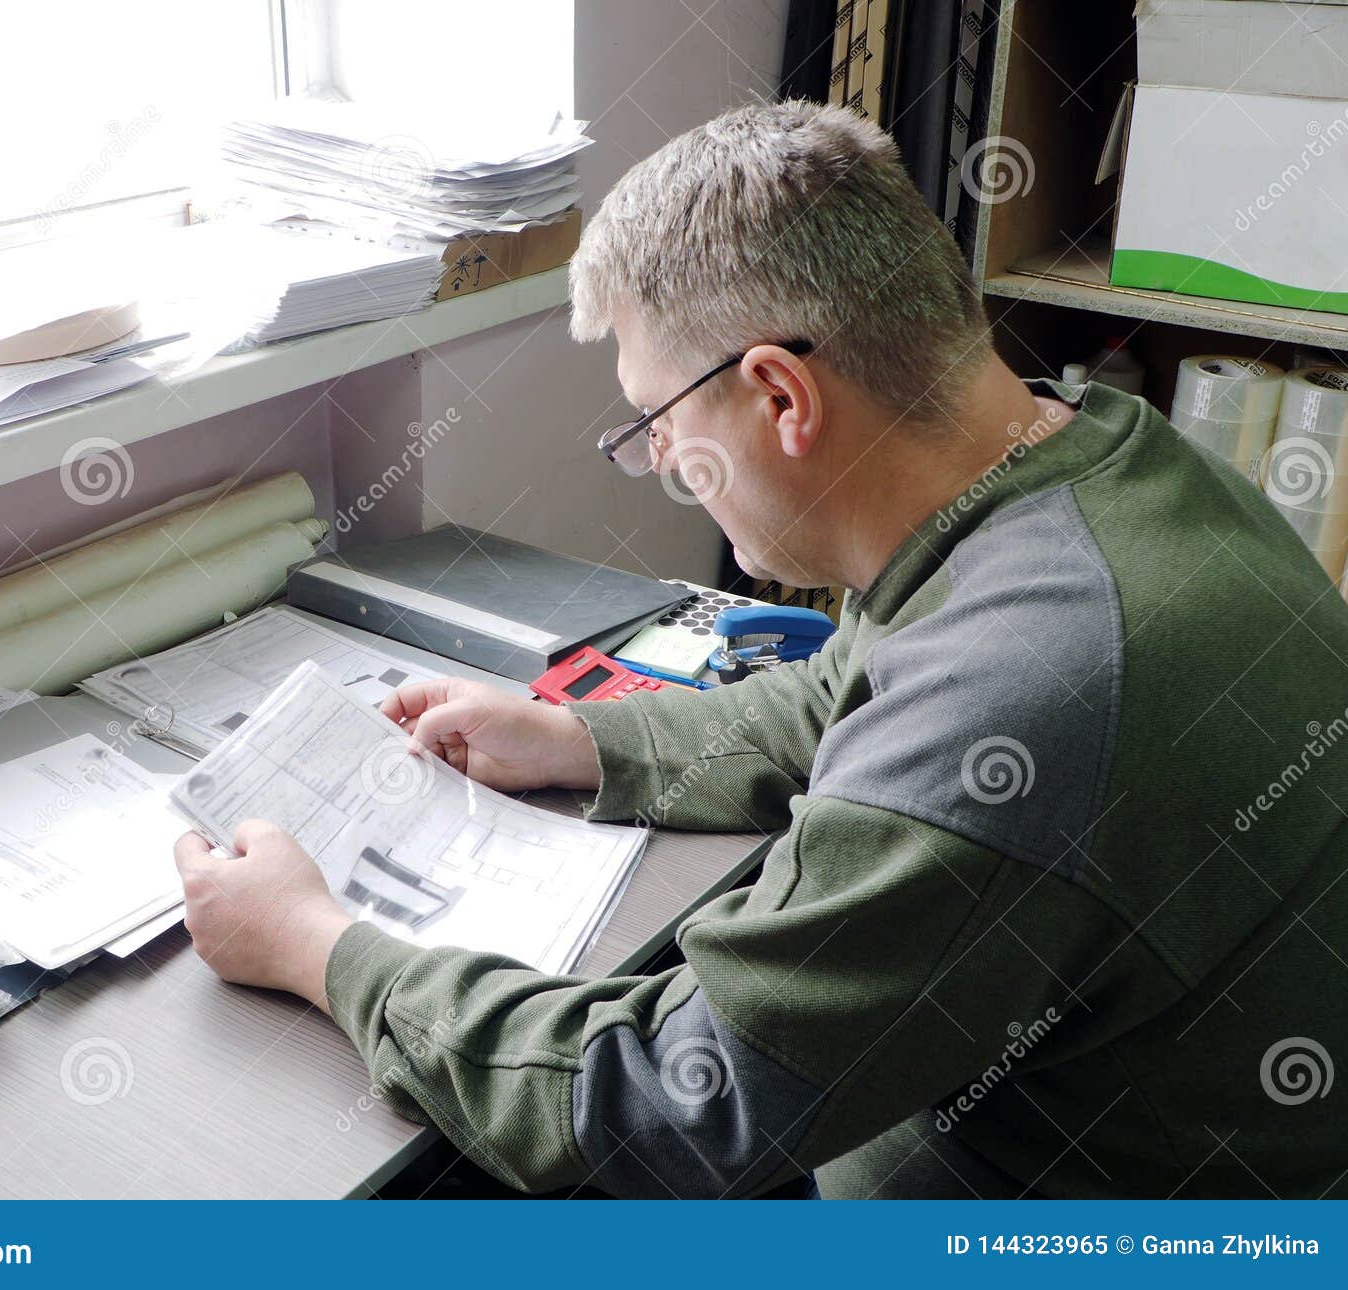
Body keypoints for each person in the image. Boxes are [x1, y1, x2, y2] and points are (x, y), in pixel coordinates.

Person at [173, 100, 1348, 1198]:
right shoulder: (1097, 462)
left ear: (780, 396)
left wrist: (317, 946)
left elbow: (675, 1102)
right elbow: (849, 689)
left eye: (655, 424)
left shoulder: (1025, 690)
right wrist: (578, 740)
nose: (656, 461)